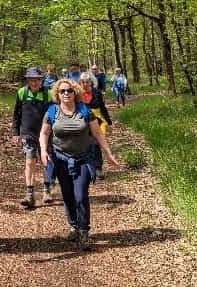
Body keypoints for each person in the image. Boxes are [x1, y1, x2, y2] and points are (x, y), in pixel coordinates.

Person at [39, 78, 123, 250]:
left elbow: (98, 134)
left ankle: (84, 231)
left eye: (69, 90)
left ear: (75, 92)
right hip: (60, 159)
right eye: (62, 91)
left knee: (81, 195)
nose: (66, 94)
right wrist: (43, 151)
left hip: (83, 159)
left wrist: (109, 154)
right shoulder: (52, 111)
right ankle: (73, 225)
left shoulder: (84, 110)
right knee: (67, 194)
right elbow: (44, 133)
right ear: (57, 94)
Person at [11, 67, 54, 207]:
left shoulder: (49, 94)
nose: (34, 82)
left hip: (46, 134)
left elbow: (55, 114)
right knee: (30, 161)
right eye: (31, 80)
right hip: (27, 133)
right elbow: (16, 114)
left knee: (46, 161)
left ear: (41, 80)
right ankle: (30, 194)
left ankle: (47, 190)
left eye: (36, 79)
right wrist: (15, 132)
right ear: (27, 80)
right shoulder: (22, 92)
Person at [78, 72, 113, 179]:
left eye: (87, 82)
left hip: (97, 121)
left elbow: (102, 107)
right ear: (80, 83)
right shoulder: (77, 93)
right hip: (82, 121)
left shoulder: (97, 93)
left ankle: (98, 168)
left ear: (91, 82)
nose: (85, 84)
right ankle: (86, 167)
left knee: (96, 144)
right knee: (85, 145)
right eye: (83, 82)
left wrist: (109, 121)